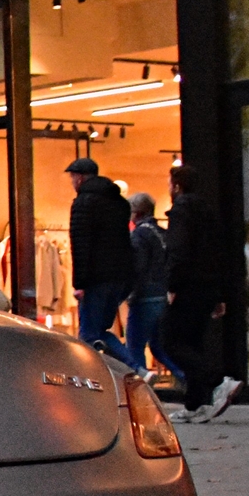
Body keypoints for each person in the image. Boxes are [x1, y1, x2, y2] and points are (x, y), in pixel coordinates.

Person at [163, 164, 242, 422]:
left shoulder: (181, 211)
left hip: (188, 286)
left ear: (177, 185)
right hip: (207, 287)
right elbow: (218, 254)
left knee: (170, 341)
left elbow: (178, 251)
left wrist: (172, 285)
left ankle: (218, 381)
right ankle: (195, 403)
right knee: (193, 342)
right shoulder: (207, 212)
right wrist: (220, 295)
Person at [65, 156, 134, 361]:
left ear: (80, 178)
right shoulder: (120, 203)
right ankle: (136, 369)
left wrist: (80, 283)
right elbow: (124, 242)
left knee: (88, 335)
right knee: (100, 331)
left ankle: (132, 370)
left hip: (95, 278)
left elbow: (81, 245)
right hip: (119, 276)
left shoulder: (83, 203)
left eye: (73, 177)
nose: (72, 182)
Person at [125, 191, 170, 380]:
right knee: (159, 346)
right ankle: (188, 379)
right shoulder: (163, 233)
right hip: (162, 294)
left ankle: (142, 384)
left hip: (145, 297)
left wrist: (131, 294)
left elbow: (138, 267)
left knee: (135, 345)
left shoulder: (140, 235)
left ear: (136, 213)